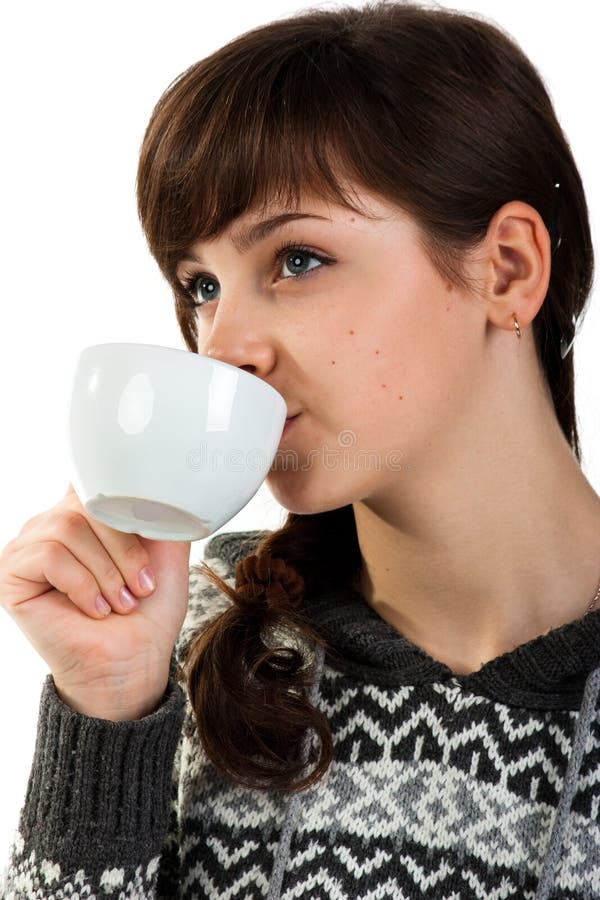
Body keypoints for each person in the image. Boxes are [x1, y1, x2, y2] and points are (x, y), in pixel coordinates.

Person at [1, 0, 600, 896]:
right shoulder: (202, 660)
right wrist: (106, 718)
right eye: (201, 285)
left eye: (297, 260)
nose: (222, 347)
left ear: (506, 268)